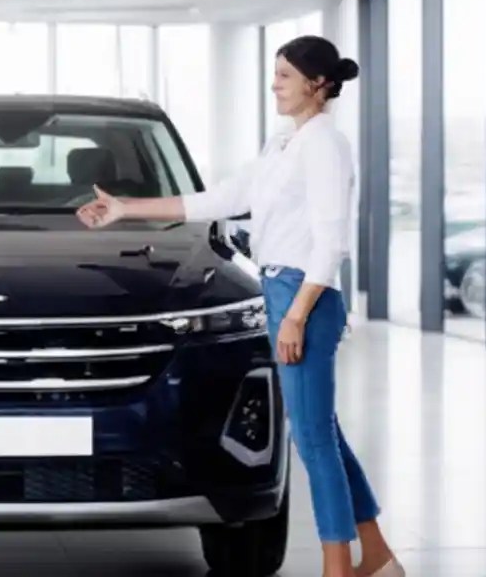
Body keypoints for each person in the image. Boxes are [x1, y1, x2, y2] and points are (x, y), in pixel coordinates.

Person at [76, 35, 402, 577]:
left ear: (316, 84)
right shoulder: (284, 143)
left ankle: (339, 568)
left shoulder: (324, 143)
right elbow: (221, 200)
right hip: (281, 291)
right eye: (275, 74)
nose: (274, 84)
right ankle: (378, 557)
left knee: (315, 441)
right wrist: (124, 209)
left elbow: (332, 244)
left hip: (304, 297)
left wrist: (296, 315)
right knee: (323, 433)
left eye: (284, 76)